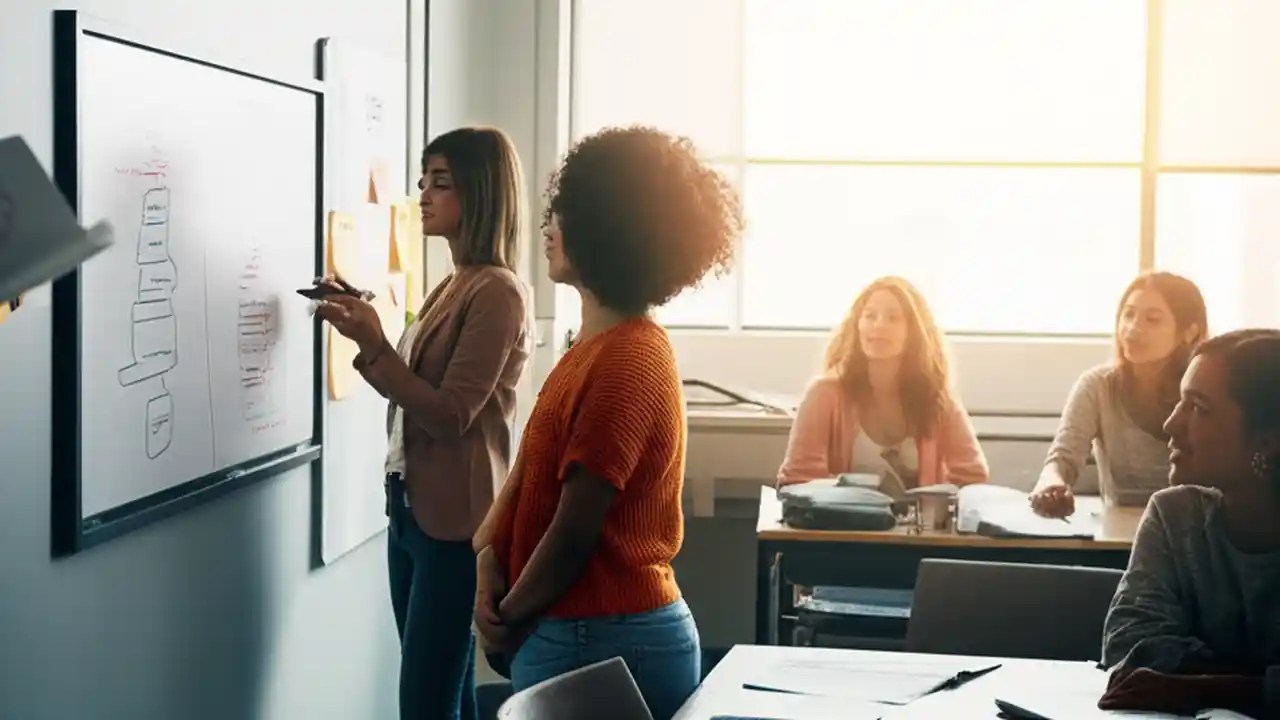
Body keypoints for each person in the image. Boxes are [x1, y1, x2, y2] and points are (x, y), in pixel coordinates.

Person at [470, 126, 742, 720]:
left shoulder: (628, 358)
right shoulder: (590, 350)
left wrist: (508, 618)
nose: (548, 228)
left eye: (563, 215)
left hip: (604, 637)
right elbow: (525, 482)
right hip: (577, 630)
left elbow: (574, 531)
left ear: (605, 230)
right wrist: (487, 559)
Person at [318, 126, 530, 720]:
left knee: (426, 702)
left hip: (454, 526)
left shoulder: (497, 293)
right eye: (422, 181)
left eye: (441, 182)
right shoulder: (454, 283)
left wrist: (372, 341)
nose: (423, 195)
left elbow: (448, 414)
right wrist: (371, 332)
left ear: (482, 193)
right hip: (410, 510)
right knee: (444, 694)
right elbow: (420, 389)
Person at [1098, 329, 1280, 718]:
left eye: (1198, 407)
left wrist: (1194, 686)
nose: (1170, 424)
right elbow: (1129, 644)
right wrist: (1262, 685)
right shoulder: (1174, 516)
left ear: (1267, 440)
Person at [776, 276, 988, 489]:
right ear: (857, 325)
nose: (878, 326)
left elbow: (973, 475)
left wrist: (936, 508)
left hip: (920, 522)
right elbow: (797, 479)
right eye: (869, 316)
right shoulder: (823, 394)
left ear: (913, 332)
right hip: (841, 523)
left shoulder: (938, 399)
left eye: (893, 318)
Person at [1031, 272, 1207, 518]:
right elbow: (1061, 460)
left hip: (1193, 539)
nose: (1133, 329)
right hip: (1119, 541)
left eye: (1152, 319)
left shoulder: (1208, 391)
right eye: (1128, 314)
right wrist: (1050, 486)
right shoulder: (1098, 386)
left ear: (1189, 332)